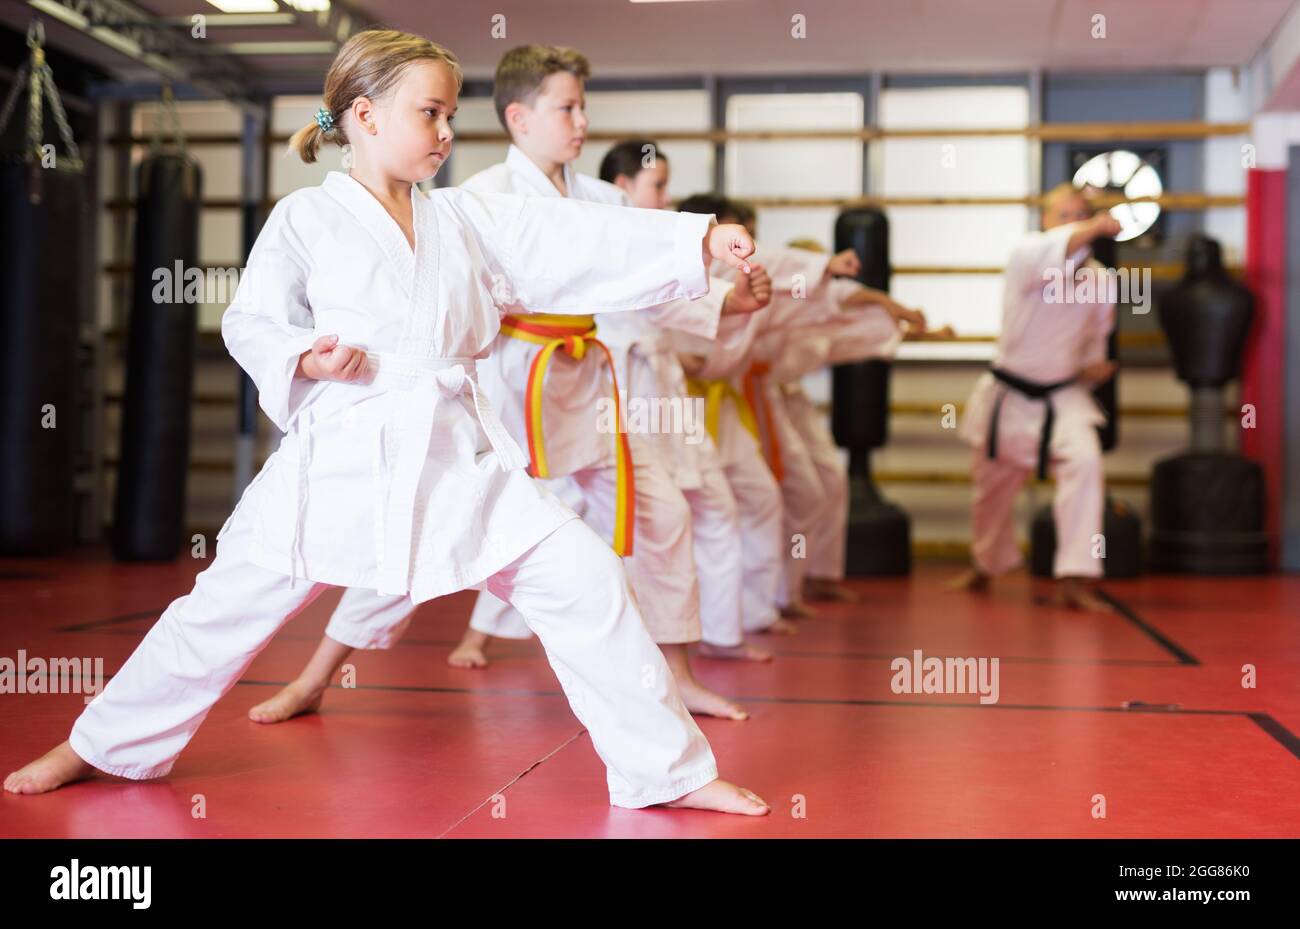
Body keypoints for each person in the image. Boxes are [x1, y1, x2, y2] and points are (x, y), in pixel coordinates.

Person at [5, 29, 768, 816]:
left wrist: (697, 238)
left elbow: (569, 241)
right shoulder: (307, 218)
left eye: (449, 115)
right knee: (220, 611)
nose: (445, 132)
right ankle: (99, 744)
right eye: (429, 113)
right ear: (364, 116)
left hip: (459, 454)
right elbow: (251, 321)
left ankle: (668, 771)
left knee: (583, 576)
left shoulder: (464, 220)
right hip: (341, 453)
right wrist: (305, 357)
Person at [947, 182, 1120, 612]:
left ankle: (1075, 577)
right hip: (1008, 394)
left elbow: (1096, 343)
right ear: (1045, 220)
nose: (1073, 223)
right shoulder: (1027, 256)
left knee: (1086, 463)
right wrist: (1097, 222)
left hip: (1063, 397)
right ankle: (985, 566)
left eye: (1080, 215)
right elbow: (1060, 246)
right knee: (991, 488)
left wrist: (1094, 368)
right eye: (1064, 214)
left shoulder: (1102, 280)